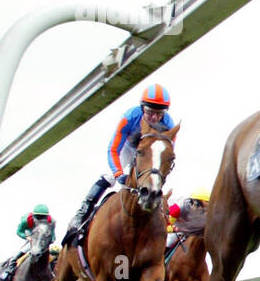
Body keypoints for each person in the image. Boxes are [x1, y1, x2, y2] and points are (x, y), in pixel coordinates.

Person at [62, 84, 177, 247]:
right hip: (128, 149)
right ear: (142, 108)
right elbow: (114, 148)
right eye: (150, 112)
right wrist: (118, 173)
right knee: (109, 178)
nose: (153, 118)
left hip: (149, 155)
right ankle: (82, 213)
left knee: (152, 184)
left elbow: (166, 156)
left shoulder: (169, 125)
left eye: (158, 114)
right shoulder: (130, 117)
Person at [0, 205, 56, 281]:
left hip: (43, 241)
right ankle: (9, 271)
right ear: (34, 215)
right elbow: (19, 231)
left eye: (43, 217)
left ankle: (51, 277)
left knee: (51, 258)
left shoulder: (51, 222)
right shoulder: (26, 220)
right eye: (38, 217)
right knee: (16, 256)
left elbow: (53, 236)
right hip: (31, 239)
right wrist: (27, 237)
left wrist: (48, 240)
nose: (40, 219)